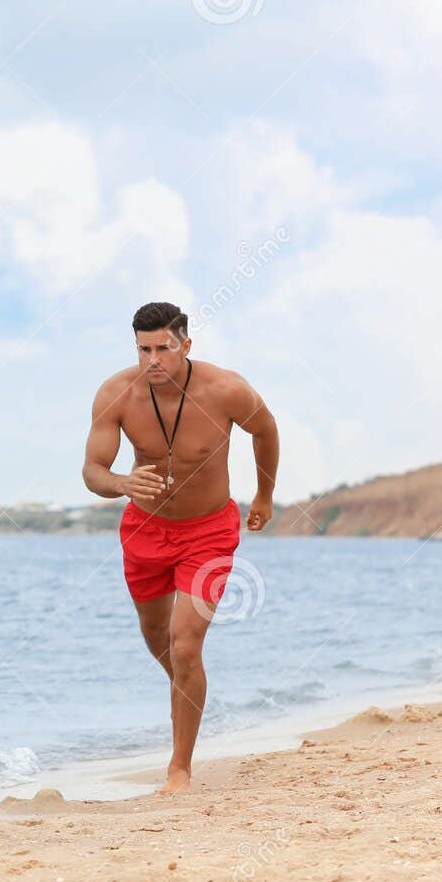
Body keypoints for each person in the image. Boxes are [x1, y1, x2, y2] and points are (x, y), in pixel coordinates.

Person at [80, 302, 279, 794]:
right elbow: (92, 471)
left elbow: (266, 430)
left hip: (209, 531)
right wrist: (122, 483)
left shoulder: (225, 389)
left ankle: (179, 770)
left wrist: (265, 494)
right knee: (158, 639)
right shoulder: (116, 394)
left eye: (163, 348)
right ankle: (190, 685)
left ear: (185, 345)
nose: (153, 359)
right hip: (145, 531)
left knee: (185, 642)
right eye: (143, 349)